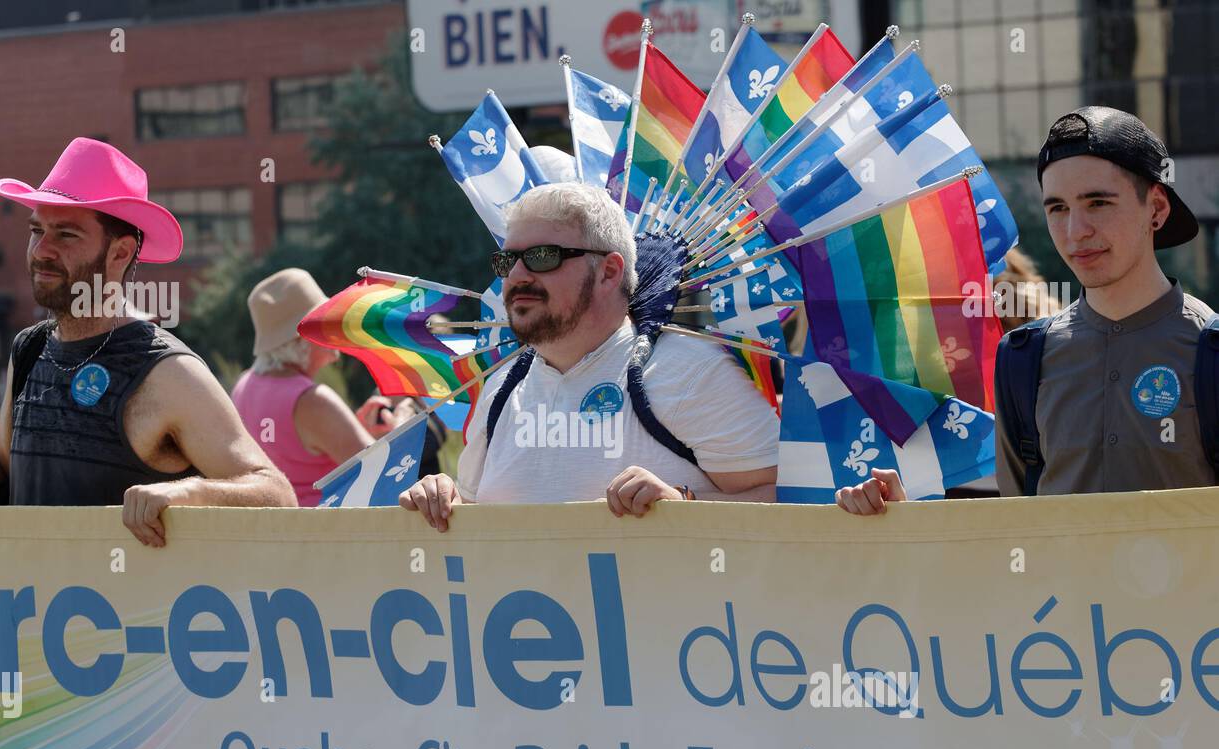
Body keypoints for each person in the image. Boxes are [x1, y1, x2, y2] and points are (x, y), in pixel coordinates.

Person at [835, 106, 1214, 514]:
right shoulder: (1023, 358)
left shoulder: (1208, 351)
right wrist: (900, 519)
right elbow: (1016, 531)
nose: (1075, 231)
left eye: (1099, 203)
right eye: (1058, 209)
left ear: (1156, 208)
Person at [0, 137, 296, 544]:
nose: (41, 250)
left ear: (119, 253)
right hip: (33, 608)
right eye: (36, 230)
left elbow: (278, 495)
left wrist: (189, 493)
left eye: (65, 234)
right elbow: (1, 464)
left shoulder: (167, 372)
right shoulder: (30, 349)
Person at [399, 182, 781, 532]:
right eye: (507, 261)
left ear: (609, 272)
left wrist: (685, 505)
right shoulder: (500, 388)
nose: (516, 275)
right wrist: (443, 499)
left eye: (542, 257)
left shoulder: (693, 373)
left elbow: (795, 506)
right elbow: (475, 522)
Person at [231, 268, 416, 505]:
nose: (334, 329)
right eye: (324, 322)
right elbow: (387, 474)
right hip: (322, 535)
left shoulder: (245, 385)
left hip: (275, 532)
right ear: (301, 338)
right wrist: (403, 423)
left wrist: (352, 431)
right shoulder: (312, 400)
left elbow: (291, 454)